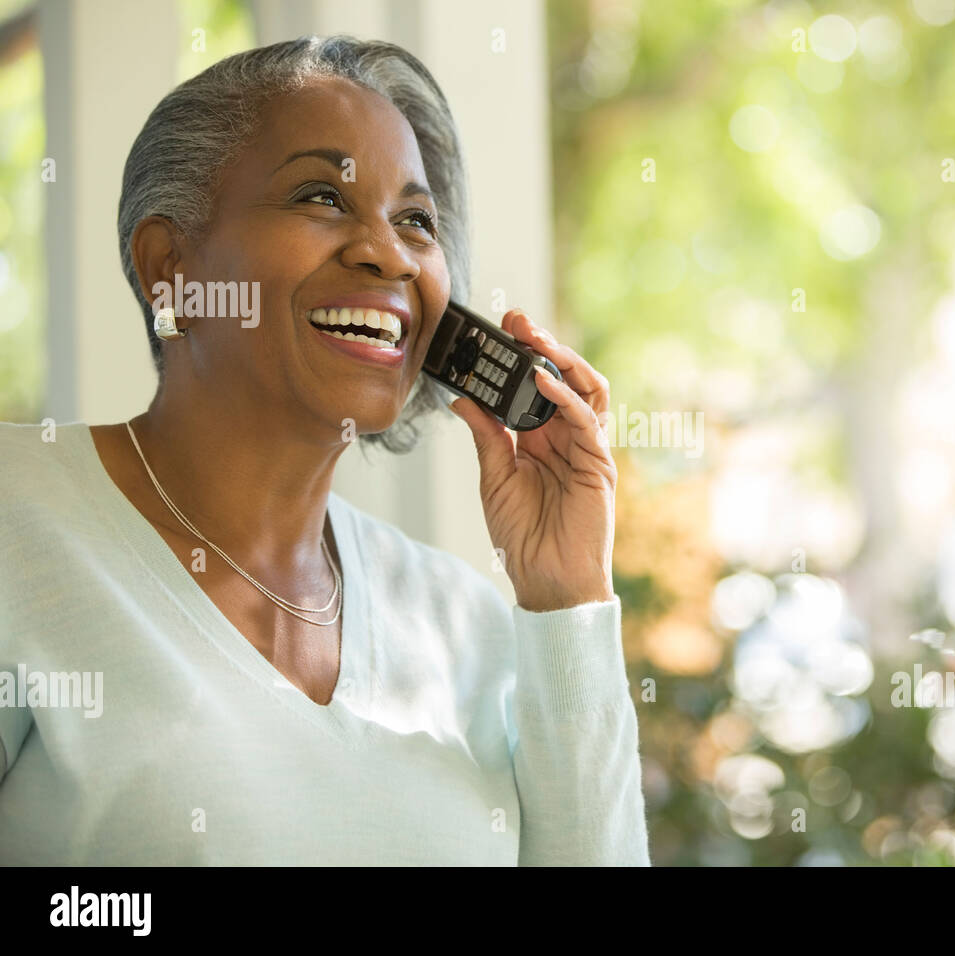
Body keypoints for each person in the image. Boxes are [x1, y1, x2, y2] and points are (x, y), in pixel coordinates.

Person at [0, 35, 649, 865]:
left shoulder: (467, 623)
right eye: (321, 196)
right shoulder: (20, 521)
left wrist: (566, 597)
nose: (386, 252)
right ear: (171, 268)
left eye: (417, 220)